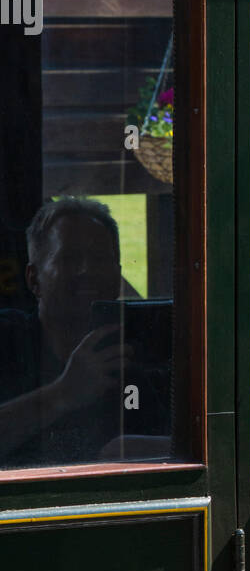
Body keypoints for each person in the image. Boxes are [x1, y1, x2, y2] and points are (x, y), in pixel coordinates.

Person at [0, 197, 169, 466]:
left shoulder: (136, 351)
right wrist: (64, 393)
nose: (87, 270)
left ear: (118, 273)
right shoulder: (8, 340)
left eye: (101, 259)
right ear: (34, 279)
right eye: (69, 258)